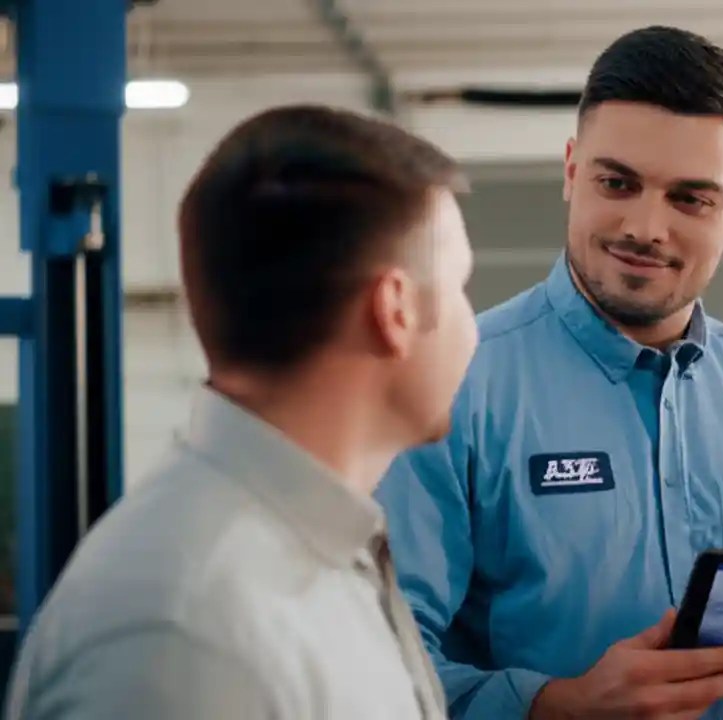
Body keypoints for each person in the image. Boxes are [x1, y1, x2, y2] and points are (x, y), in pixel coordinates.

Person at [376, 25, 723, 720]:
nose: (645, 227)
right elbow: (382, 661)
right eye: (617, 182)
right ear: (571, 172)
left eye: (691, 198)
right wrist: (553, 707)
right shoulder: (454, 384)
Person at [5, 105, 477, 719]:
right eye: (460, 285)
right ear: (395, 310)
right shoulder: (186, 636)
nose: (474, 323)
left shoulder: (322, 556)